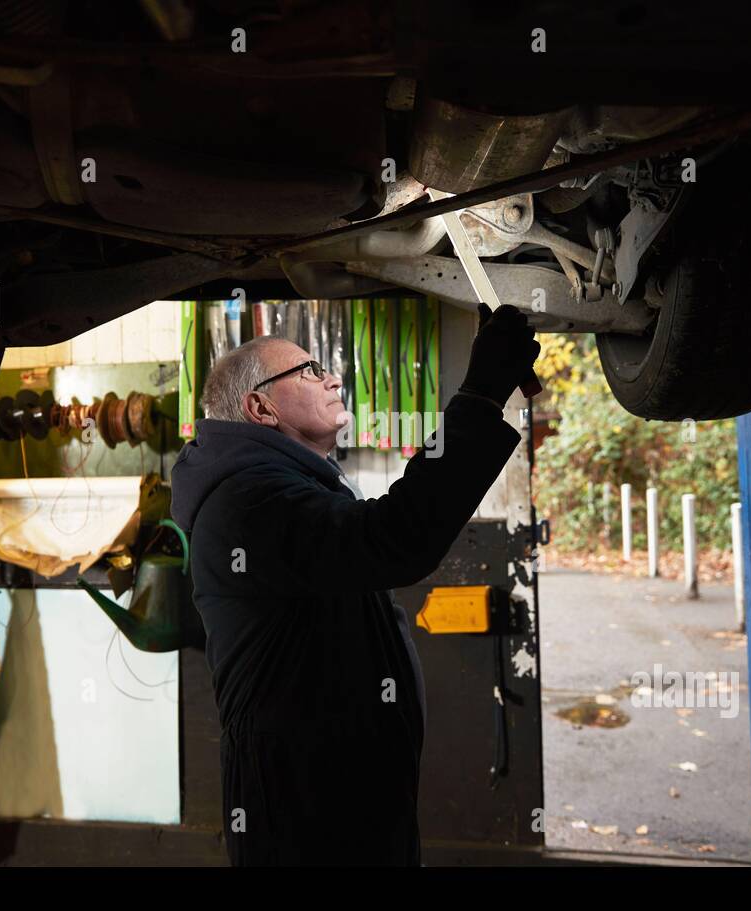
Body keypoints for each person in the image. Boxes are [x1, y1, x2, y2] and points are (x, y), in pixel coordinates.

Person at [168, 303, 538, 865]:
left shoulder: (285, 486)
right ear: (259, 407)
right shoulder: (249, 501)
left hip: (337, 794)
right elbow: (394, 537)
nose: (333, 377)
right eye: (310, 372)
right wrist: (481, 395)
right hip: (303, 808)